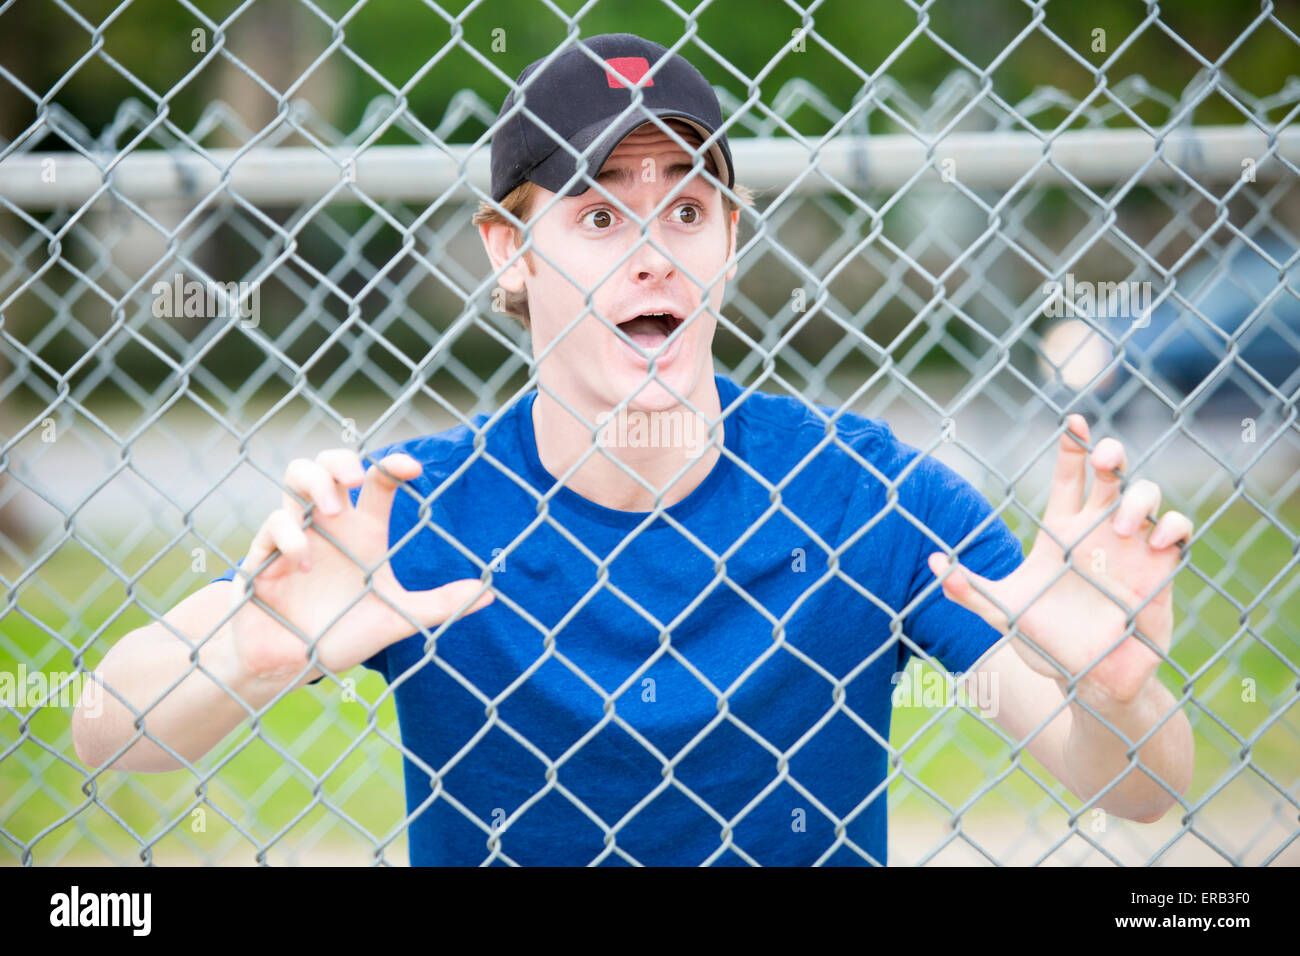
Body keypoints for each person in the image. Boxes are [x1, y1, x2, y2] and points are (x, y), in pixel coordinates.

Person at [73, 33, 1195, 866]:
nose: (654, 253)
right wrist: (255, 643)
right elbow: (105, 727)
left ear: (730, 240)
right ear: (509, 252)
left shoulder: (860, 498)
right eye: (600, 216)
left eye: (690, 210)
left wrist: (1115, 693)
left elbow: (1142, 788)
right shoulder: (414, 510)